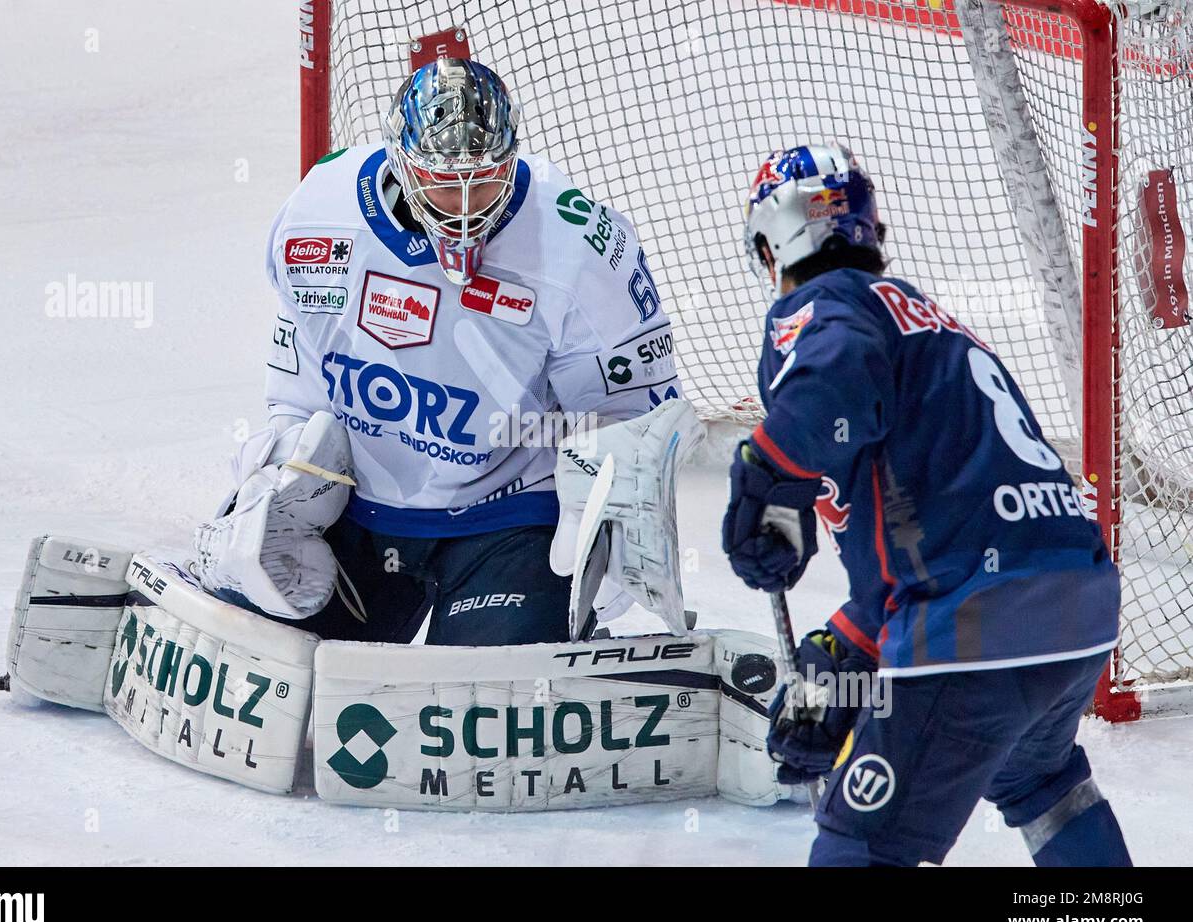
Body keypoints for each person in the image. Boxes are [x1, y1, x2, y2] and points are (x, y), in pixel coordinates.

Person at [189, 57, 695, 647]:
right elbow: (299, 370)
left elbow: (638, 409)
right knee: (250, 645)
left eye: (482, 179)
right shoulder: (320, 211)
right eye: (441, 180)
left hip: (510, 517)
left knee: (495, 699)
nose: (462, 204)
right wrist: (281, 472)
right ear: (402, 163)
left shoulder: (575, 242)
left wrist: (609, 506)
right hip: (355, 508)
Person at [722, 143, 1132, 866]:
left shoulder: (824, 307)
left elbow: (835, 375)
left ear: (771, 241)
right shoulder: (935, 325)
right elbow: (941, 536)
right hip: (1079, 607)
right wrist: (846, 658)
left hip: (978, 624)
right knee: (1043, 784)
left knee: (862, 844)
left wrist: (769, 470)